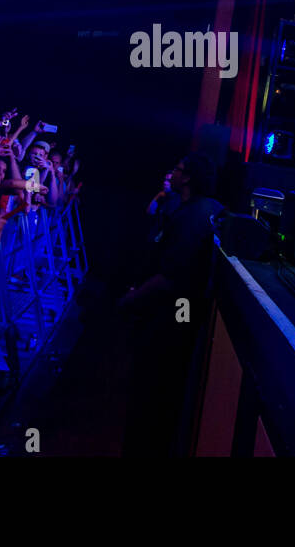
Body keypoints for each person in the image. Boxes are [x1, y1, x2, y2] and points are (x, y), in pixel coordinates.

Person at [119, 152, 222, 455]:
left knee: (152, 395)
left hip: (169, 321)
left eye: (177, 170)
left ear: (188, 177)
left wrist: (131, 299)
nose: (172, 174)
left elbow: (170, 277)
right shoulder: (204, 209)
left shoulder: (193, 217)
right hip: (178, 320)